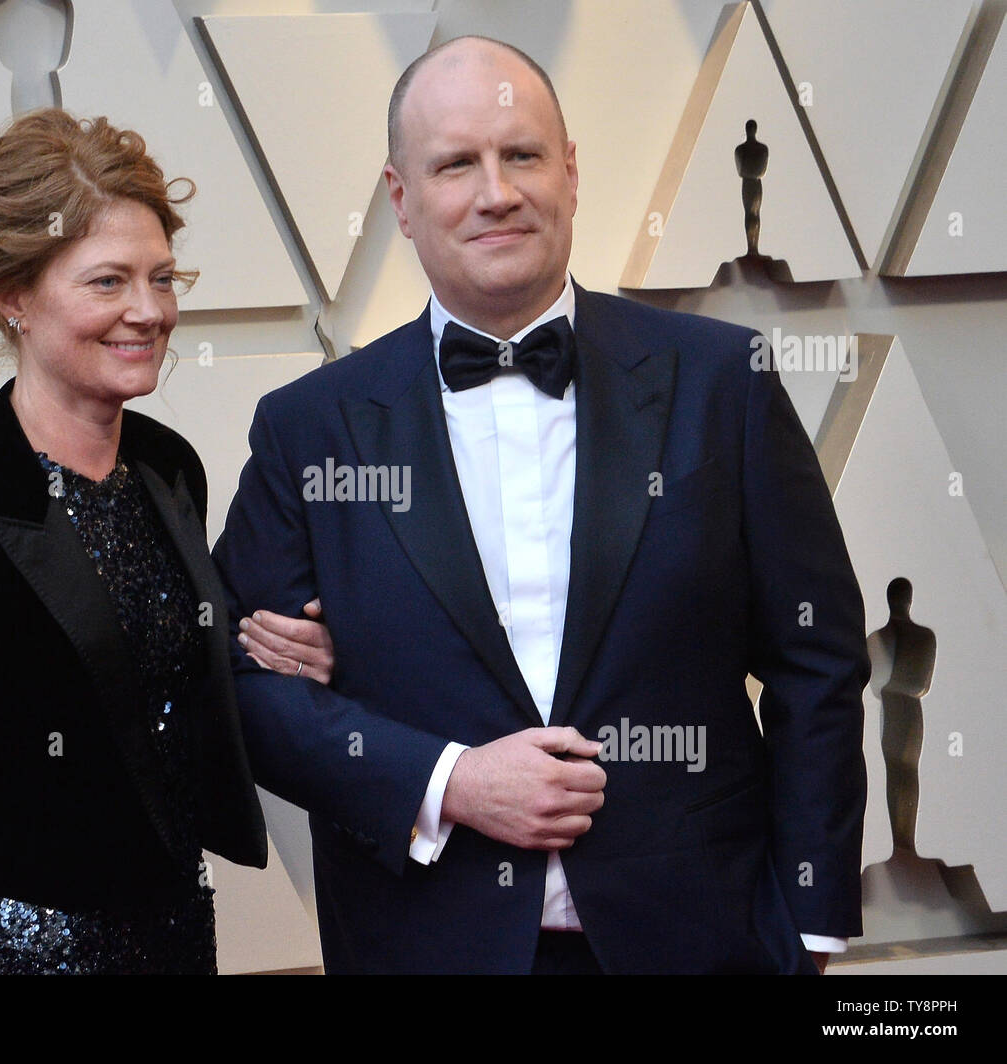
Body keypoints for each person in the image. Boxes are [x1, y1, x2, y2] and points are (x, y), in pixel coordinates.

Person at [213, 36, 869, 974]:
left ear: (569, 171)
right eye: (455, 164)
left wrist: (807, 929)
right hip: (425, 946)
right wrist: (453, 781)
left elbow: (819, 656)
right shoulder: (308, 428)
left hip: (704, 943)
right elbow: (247, 691)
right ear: (401, 199)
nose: (496, 193)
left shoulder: (724, 380)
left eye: (521, 155)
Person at [0, 108, 334, 974]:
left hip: (181, 942)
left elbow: (171, 682)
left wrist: (276, 650)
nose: (149, 312)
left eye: (162, 277)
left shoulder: (169, 467)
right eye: (108, 282)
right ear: (14, 299)